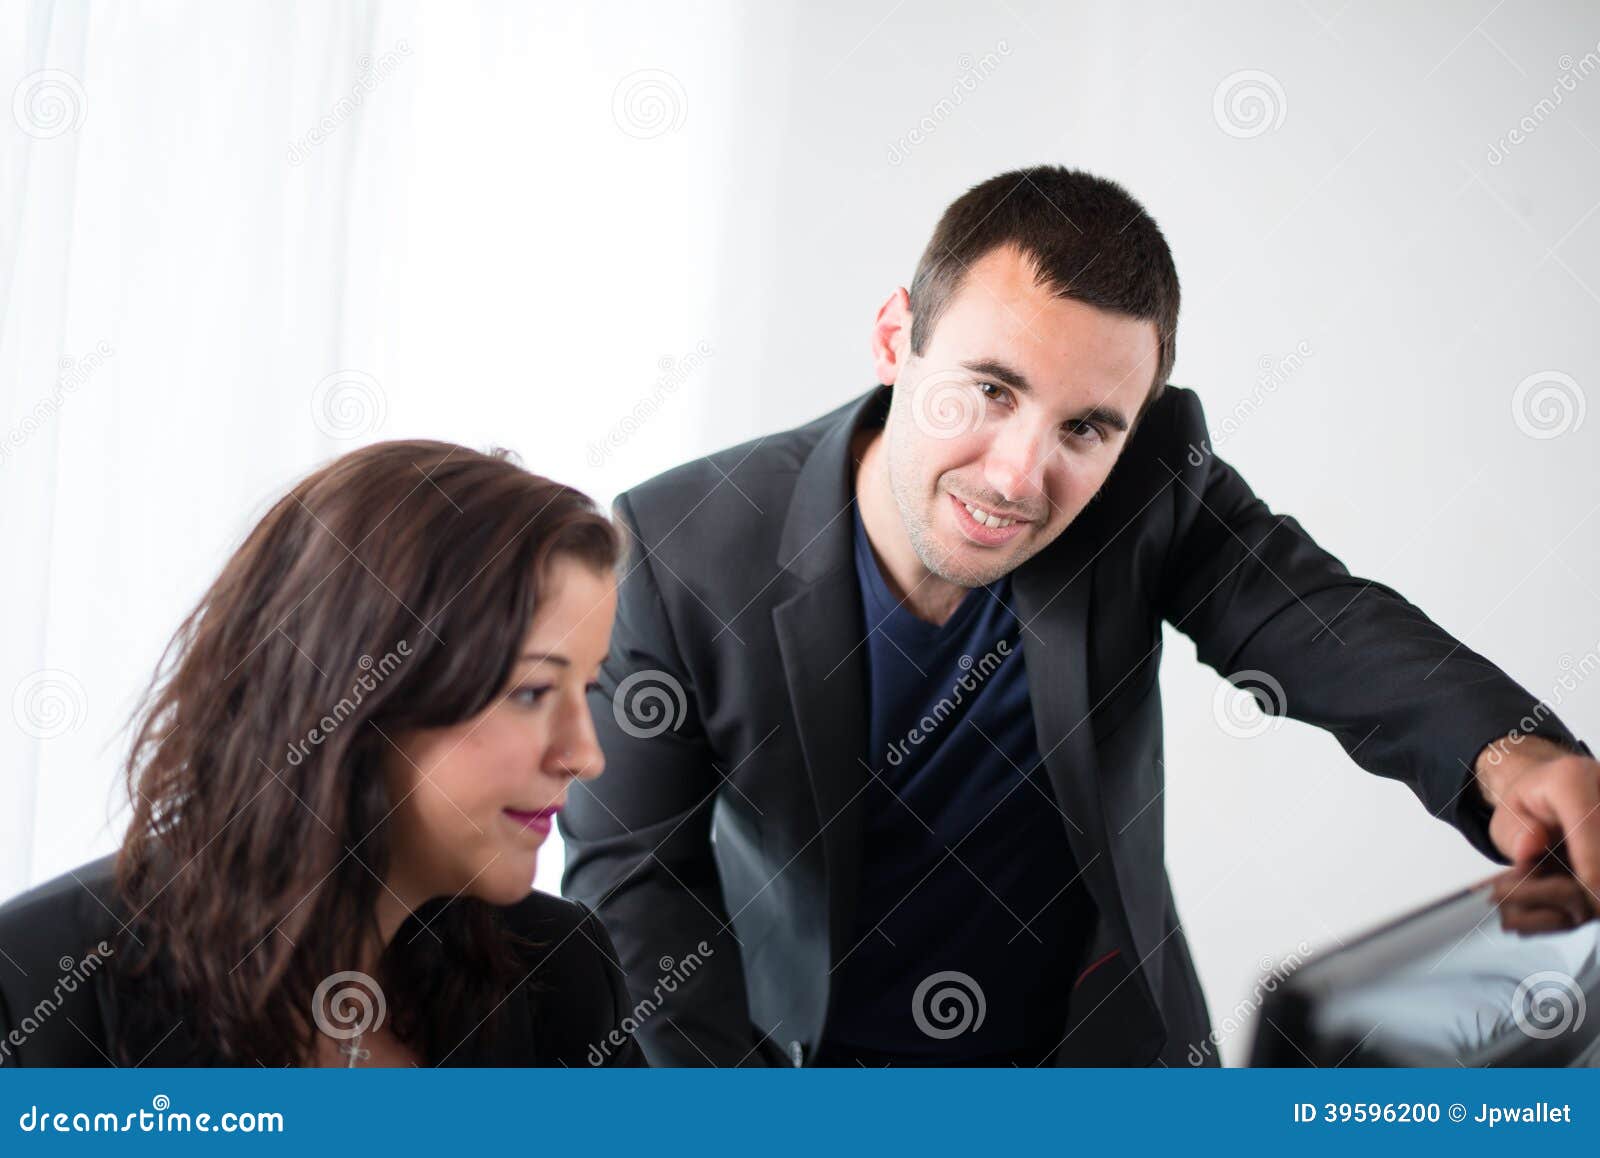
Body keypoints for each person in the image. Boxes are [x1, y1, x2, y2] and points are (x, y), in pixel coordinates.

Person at [560, 165, 1600, 1067]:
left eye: (1086, 429)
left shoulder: (1146, 490)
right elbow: (637, 887)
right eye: (990, 390)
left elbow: (1315, 619)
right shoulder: (680, 547)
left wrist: (1509, 754)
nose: (1019, 475)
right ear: (895, 338)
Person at [0, 440, 643, 1067]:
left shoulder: (566, 977)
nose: (585, 756)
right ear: (356, 688)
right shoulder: (33, 995)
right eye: (532, 692)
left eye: (588, 689)